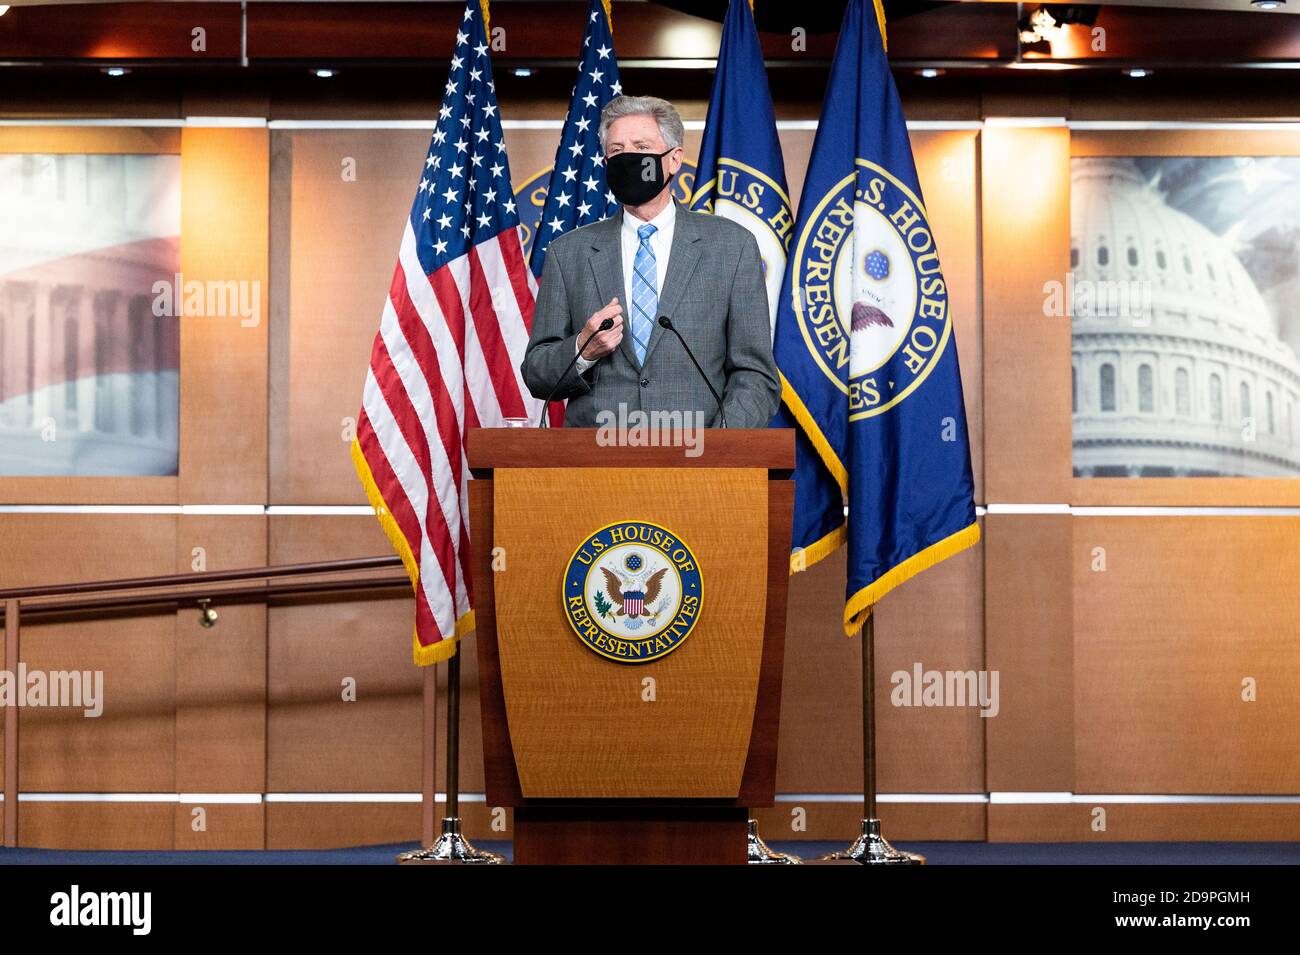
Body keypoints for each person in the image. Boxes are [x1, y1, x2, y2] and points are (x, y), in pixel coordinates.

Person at [522, 95, 780, 428]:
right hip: (594, 465)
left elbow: (756, 375)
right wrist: (583, 349)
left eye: (641, 147)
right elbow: (537, 373)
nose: (628, 158)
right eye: (616, 151)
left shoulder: (732, 247)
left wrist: (717, 449)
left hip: (700, 461)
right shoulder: (568, 253)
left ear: (674, 159)